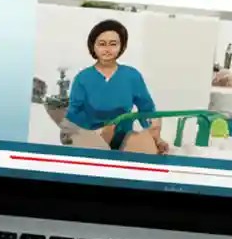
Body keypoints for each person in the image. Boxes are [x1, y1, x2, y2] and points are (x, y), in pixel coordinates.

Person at [60, 19, 170, 154]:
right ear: (93, 46)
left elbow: (147, 109)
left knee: (146, 149)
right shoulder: (83, 78)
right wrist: (98, 133)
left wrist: (156, 138)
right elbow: (74, 115)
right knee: (97, 150)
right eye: (102, 44)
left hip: (124, 137)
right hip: (92, 136)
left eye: (113, 44)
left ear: (121, 46)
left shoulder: (132, 76)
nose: (107, 49)